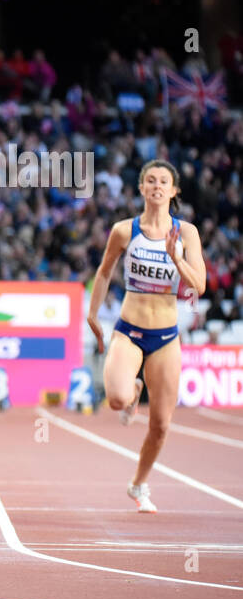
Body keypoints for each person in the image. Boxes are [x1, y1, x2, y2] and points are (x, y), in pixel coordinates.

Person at [86, 160, 207, 513]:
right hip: (129, 331)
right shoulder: (125, 230)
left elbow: (198, 284)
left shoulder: (187, 234)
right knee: (116, 399)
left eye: (163, 181)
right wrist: (93, 314)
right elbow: (104, 271)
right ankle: (132, 390)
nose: (156, 186)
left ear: (173, 191)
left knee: (161, 425)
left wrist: (177, 258)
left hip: (166, 338)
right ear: (141, 188)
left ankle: (138, 484)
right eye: (150, 180)